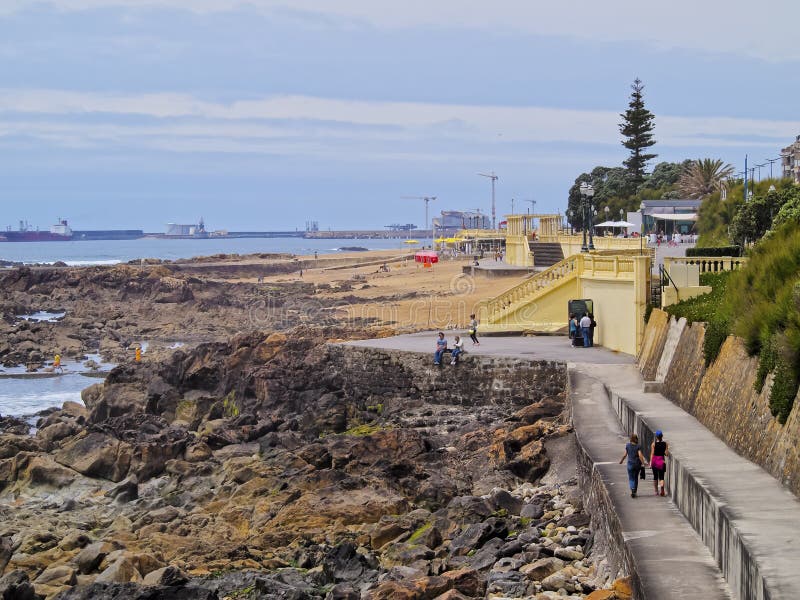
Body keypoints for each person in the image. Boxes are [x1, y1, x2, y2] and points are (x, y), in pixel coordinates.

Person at [619, 433, 649, 498]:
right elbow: (640, 455)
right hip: (637, 464)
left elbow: (625, 455)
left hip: (630, 464)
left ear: (631, 439)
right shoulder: (638, 446)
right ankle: (635, 491)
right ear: (636, 439)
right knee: (635, 477)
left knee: (631, 478)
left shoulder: (628, 445)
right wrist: (643, 463)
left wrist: (621, 460)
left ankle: (632, 489)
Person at [650, 430, 669, 496]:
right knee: (661, 477)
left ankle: (656, 491)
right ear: (662, 436)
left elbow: (652, 454)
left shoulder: (653, 444)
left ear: (656, 437)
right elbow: (666, 454)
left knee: (655, 477)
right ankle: (662, 490)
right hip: (662, 461)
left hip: (655, 461)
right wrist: (664, 451)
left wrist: (650, 462)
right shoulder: (665, 443)